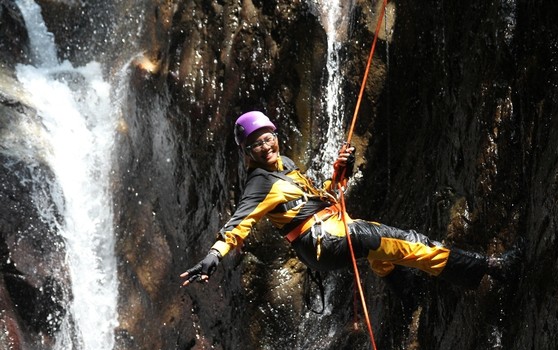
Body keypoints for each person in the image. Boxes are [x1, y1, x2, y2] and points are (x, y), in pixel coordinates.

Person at [180, 111, 517, 290]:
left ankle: (404, 288)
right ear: (247, 153)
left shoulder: (285, 166)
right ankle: (489, 268)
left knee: (381, 252)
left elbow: (323, 196)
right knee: (409, 243)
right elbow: (239, 225)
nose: (267, 146)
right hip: (325, 241)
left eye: (269, 138)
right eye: (257, 144)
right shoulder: (259, 182)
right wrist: (212, 258)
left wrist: (342, 169)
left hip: (330, 231)